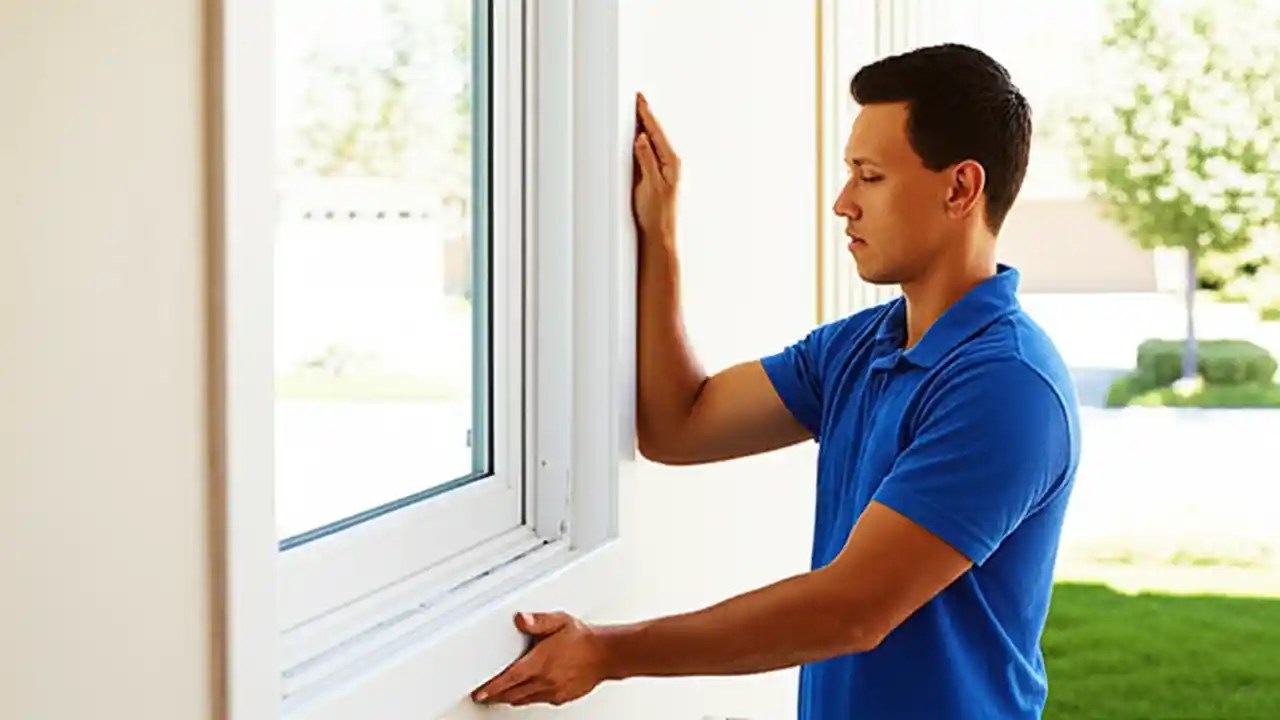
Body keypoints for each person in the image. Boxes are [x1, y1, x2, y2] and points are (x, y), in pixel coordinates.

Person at [472, 43, 1081, 719]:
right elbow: (681, 424)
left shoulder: (1007, 388)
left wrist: (610, 652)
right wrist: (659, 236)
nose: (842, 203)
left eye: (869, 176)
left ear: (960, 188)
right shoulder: (862, 346)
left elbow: (851, 611)